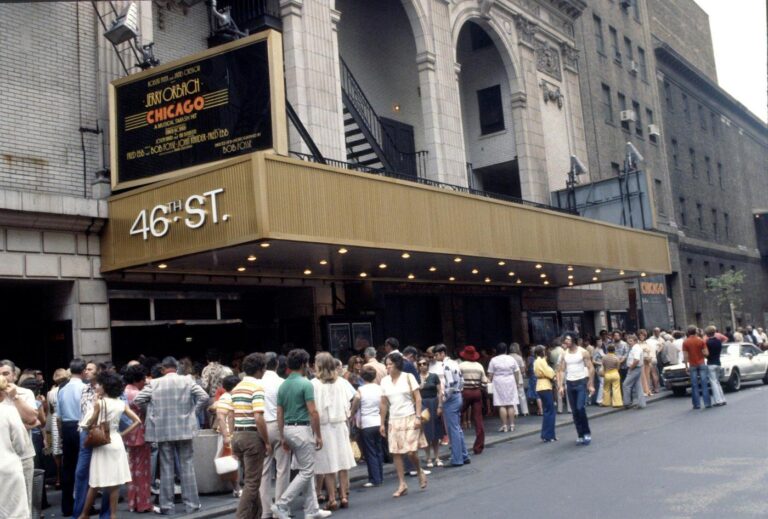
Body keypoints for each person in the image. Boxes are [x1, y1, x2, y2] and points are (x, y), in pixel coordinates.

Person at [134, 356, 209, 515]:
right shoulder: (187, 380)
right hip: (184, 428)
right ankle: (192, 505)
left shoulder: (154, 383)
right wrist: (193, 414)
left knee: (166, 467)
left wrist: (151, 414)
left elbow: (138, 399)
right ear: (176, 367)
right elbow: (204, 397)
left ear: (163, 369)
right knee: (187, 466)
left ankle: (167, 506)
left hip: (163, 429)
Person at [271, 349, 331, 519]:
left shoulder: (283, 385)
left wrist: (283, 436)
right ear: (304, 364)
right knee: (306, 470)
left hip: (289, 429)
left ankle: (312, 509)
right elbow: (313, 412)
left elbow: (279, 414)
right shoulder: (306, 384)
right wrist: (318, 435)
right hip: (302, 429)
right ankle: (282, 503)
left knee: (306, 470)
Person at [77, 372, 141, 519]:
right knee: (115, 483)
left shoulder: (99, 403)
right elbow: (137, 421)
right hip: (116, 440)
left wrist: (94, 406)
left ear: (105, 387)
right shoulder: (120, 403)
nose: (96, 386)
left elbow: (86, 424)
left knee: (95, 482)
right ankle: (113, 515)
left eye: (99, 384)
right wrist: (122, 434)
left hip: (102, 443)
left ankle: (84, 514)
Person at [312, 352, 357, 510]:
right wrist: (349, 413)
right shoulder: (341, 383)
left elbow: (313, 410)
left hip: (324, 427)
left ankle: (331, 499)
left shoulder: (314, 384)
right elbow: (356, 396)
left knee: (328, 464)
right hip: (340, 425)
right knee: (342, 462)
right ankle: (343, 495)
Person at [380, 351, 427, 497]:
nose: (387, 367)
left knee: (411, 451)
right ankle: (402, 483)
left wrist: (418, 417)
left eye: (390, 365)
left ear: (397, 365)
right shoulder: (384, 381)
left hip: (409, 416)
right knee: (396, 452)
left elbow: (418, 398)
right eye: (386, 365)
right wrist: (381, 423)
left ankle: (419, 470)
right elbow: (383, 403)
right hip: (394, 419)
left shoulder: (408, 377)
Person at [231, 353, 271, 519]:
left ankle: (257, 515)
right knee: (252, 483)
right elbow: (258, 417)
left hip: (238, 436)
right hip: (252, 437)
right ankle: (241, 516)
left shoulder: (237, 388)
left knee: (251, 479)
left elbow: (232, 415)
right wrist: (267, 441)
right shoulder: (257, 388)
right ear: (261, 369)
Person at [0, 359, 38, 516]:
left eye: (6, 374)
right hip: (8, 457)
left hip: (23, 456)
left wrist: (15, 397)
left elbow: (33, 420)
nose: (3, 377)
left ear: (14, 375)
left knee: (23, 502)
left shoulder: (25, 393)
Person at [259, 352, 289, 519]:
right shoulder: (281, 383)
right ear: (276, 364)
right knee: (282, 469)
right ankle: (280, 507)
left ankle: (266, 510)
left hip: (261, 426)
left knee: (264, 470)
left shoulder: (257, 383)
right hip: (278, 426)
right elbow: (283, 409)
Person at [123, 364, 153, 513]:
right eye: (143, 379)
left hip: (127, 434)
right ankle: (143, 503)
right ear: (138, 379)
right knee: (142, 469)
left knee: (132, 469)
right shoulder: (137, 394)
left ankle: (133, 502)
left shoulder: (124, 391)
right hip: (140, 433)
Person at [433, 344, 469, 467]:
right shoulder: (454, 363)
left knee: (453, 430)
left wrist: (444, 398)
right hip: (458, 395)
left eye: (437, 354)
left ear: (443, 353)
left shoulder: (447, 366)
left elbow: (450, 385)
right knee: (457, 428)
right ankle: (463, 455)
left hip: (451, 398)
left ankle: (457, 458)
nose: (435, 357)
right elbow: (460, 381)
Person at [556, 335, 595, 445]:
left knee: (580, 408)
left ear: (573, 340)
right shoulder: (564, 353)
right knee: (574, 411)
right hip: (570, 383)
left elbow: (591, 367)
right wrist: (561, 386)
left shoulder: (583, 352)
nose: (566, 341)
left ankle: (586, 432)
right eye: (565, 340)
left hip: (581, 382)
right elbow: (562, 370)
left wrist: (590, 383)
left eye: (568, 339)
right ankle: (580, 434)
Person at [352, 366, 384, 487]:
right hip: (378, 421)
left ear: (361, 376)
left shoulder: (360, 390)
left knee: (370, 452)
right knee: (378, 449)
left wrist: (352, 411)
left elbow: (356, 401)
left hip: (366, 423)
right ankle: (380, 476)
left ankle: (374, 478)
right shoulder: (380, 388)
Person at [212, 375, 242, 499]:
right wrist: (226, 436)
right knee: (232, 461)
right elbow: (220, 417)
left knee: (234, 461)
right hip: (229, 435)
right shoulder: (226, 398)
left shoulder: (229, 397)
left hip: (231, 434)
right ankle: (237, 489)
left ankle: (237, 488)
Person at [458, 346, 488, 454]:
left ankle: (458, 443)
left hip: (464, 393)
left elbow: (457, 381)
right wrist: (480, 388)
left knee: (458, 415)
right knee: (478, 419)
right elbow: (484, 382)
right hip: (477, 393)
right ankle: (478, 446)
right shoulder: (479, 366)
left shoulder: (460, 366)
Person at [487, 343, 521, 433]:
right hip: (510, 380)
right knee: (510, 403)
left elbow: (490, 374)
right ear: (506, 350)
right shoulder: (511, 358)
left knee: (501, 404)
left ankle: (504, 426)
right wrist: (517, 383)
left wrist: (488, 382)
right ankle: (512, 425)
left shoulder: (493, 360)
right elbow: (517, 372)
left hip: (499, 381)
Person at [416, 355, 443, 467]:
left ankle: (437, 457)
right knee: (426, 432)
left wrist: (440, 406)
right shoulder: (416, 378)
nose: (422, 366)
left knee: (436, 431)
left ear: (428, 365)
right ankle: (428, 458)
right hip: (423, 405)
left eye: (424, 364)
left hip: (433, 402)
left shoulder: (434, 376)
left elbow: (440, 392)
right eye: (420, 364)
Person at [48, 368, 69, 491]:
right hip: (65, 418)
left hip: (55, 418)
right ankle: (64, 475)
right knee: (66, 449)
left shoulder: (51, 392)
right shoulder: (66, 389)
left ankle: (58, 477)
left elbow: (51, 410)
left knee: (57, 450)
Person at [683, 326, 711, 410]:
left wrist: (686, 366)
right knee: (704, 384)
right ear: (696, 331)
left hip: (692, 364)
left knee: (694, 385)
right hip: (701, 363)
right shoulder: (701, 341)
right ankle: (707, 403)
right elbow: (706, 353)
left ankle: (697, 404)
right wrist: (702, 354)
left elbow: (685, 356)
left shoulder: (685, 342)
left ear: (688, 332)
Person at [533, 345, 556, 442]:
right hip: (545, 386)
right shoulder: (541, 361)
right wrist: (554, 375)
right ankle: (548, 435)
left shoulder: (536, 361)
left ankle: (547, 434)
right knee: (550, 412)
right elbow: (550, 372)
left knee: (547, 411)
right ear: (542, 352)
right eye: (544, 350)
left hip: (540, 386)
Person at [622, 334, 646, 409]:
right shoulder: (634, 348)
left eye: (631, 341)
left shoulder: (636, 348)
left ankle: (627, 403)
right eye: (628, 340)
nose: (629, 342)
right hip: (637, 368)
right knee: (638, 386)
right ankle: (642, 404)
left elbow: (636, 360)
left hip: (635, 368)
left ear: (635, 341)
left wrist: (631, 368)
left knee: (625, 384)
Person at [704, 326, 727, 407]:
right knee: (717, 382)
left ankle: (718, 400)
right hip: (718, 362)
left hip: (711, 363)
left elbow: (706, 354)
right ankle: (723, 398)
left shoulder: (707, 343)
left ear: (707, 334)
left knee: (713, 383)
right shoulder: (718, 341)